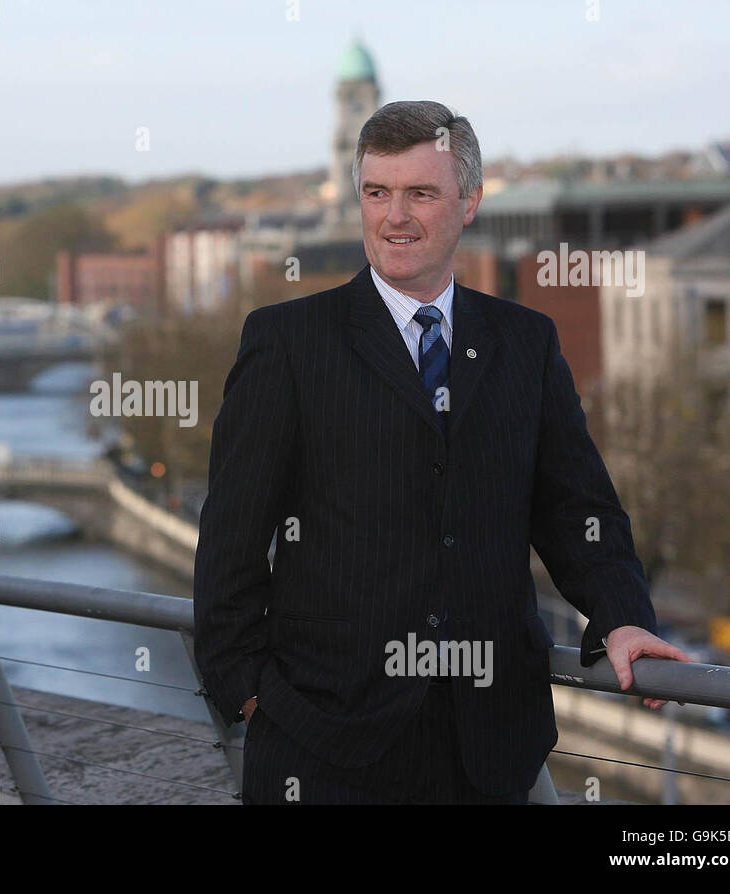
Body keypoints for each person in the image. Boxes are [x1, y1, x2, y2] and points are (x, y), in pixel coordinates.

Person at [192, 100, 689, 805]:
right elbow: (231, 539)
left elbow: (578, 508)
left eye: (419, 193)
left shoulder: (526, 343)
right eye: (377, 193)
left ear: (471, 201)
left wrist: (624, 615)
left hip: (490, 748)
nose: (394, 216)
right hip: (324, 746)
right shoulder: (289, 343)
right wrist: (249, 697)